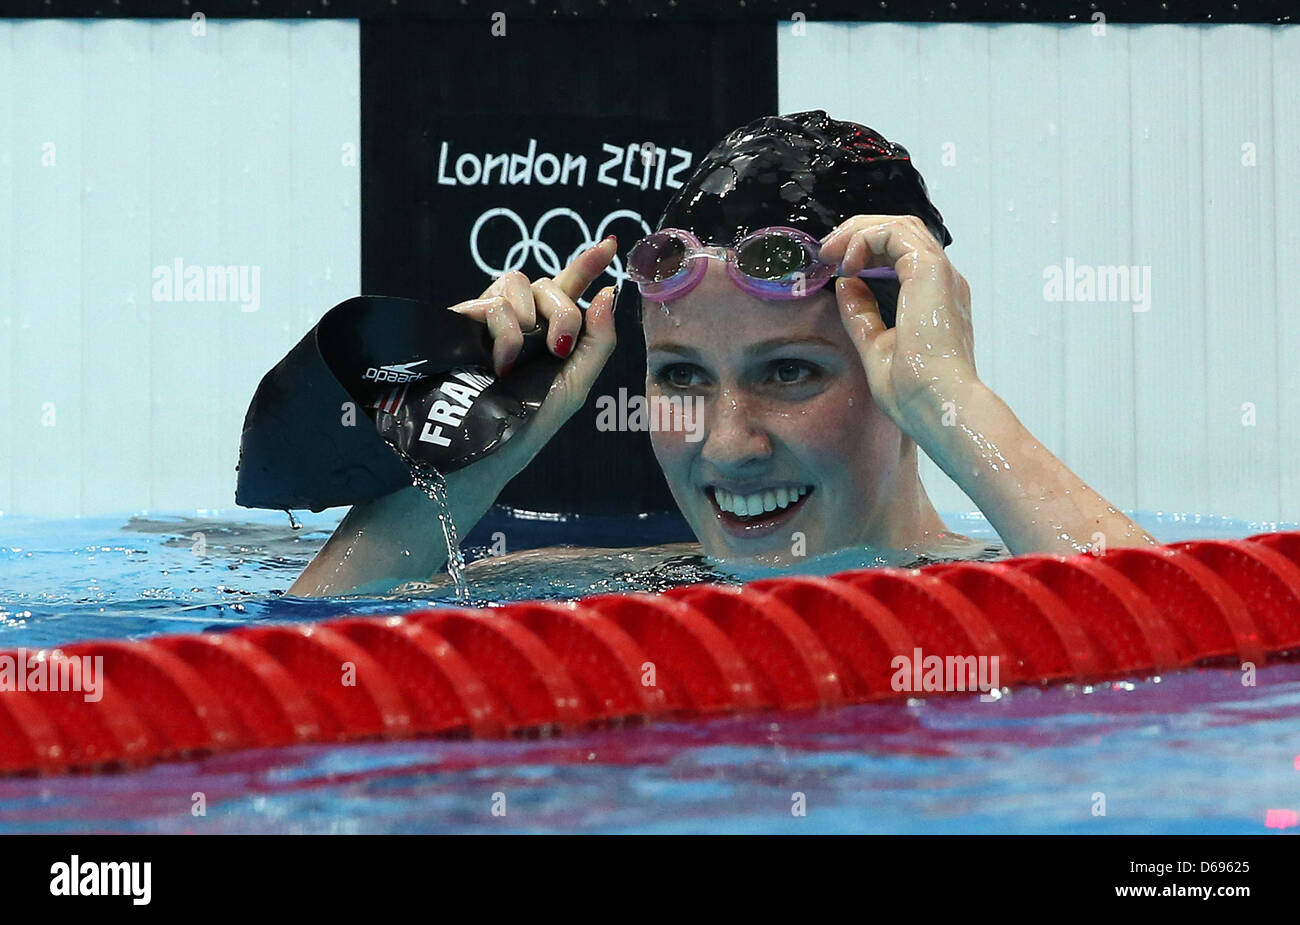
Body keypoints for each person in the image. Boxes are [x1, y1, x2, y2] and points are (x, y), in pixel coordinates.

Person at [290, 111, 1156, 598]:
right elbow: (313, 647)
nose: (727, 445)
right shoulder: (599, 595)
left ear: (896, 369)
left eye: (789, 372)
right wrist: (476, 443)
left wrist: (950, 405)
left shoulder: (1019, 597)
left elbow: (1189, 645)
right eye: (682, 378)